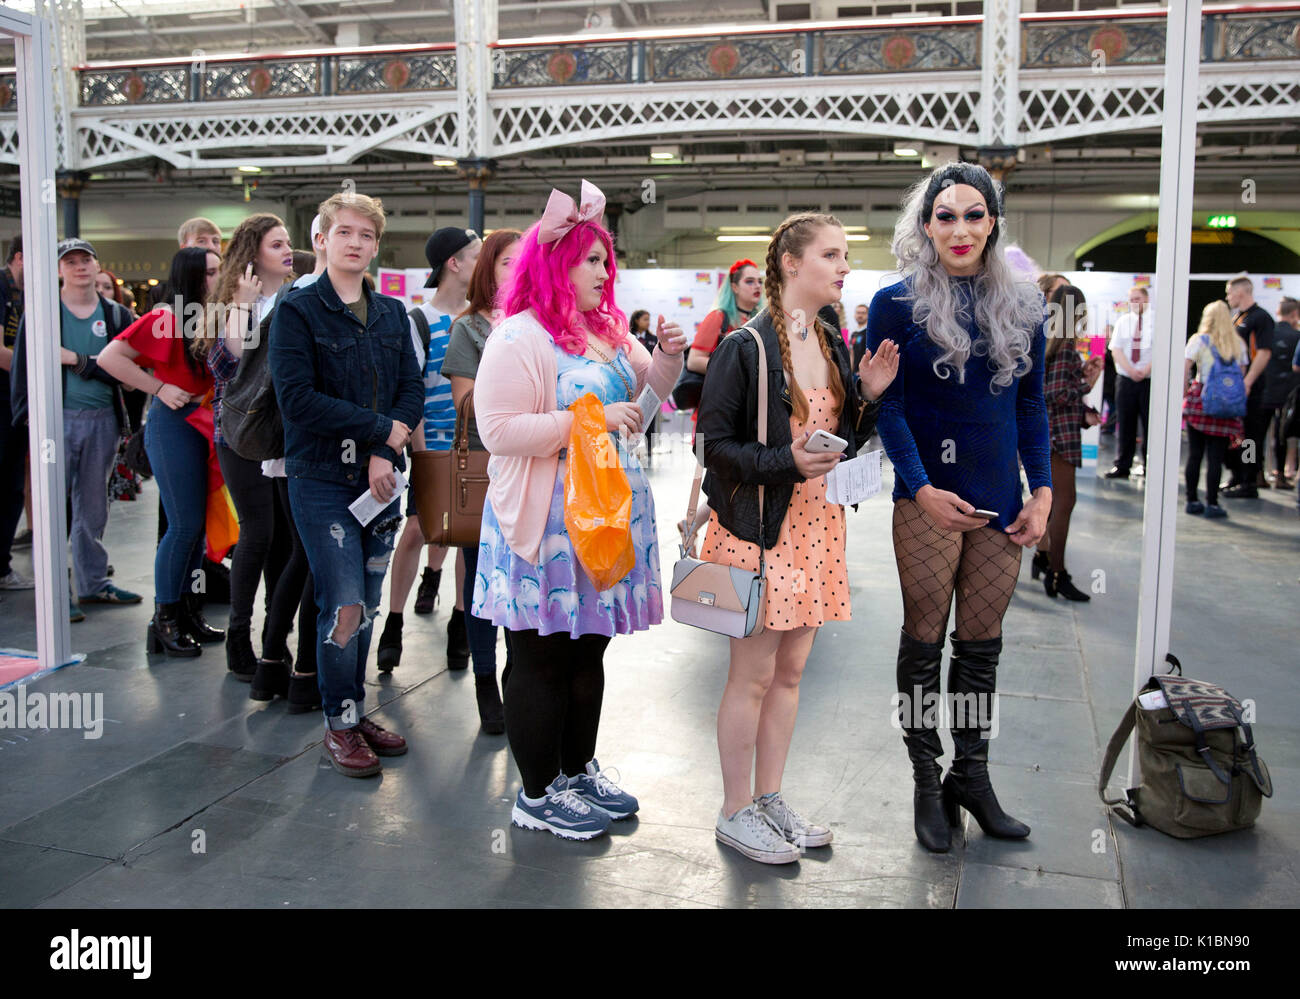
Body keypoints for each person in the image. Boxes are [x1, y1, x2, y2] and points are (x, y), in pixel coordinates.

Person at [472, 180, 686, 841]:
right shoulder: (519, 336)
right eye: (592, 259)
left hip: (603, 522)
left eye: (606, 261)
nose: (604, 272)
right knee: (540, 658)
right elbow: (498, 430)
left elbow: (641, 415)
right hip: (545, 531)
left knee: (587, 651)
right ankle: (535, 795)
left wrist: (670, 364)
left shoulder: (612, 336)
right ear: (556, 263)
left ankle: (574, 770)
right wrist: (581, 421)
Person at [696, 213, 898, 864]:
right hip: (760, 531)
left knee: (789, 675)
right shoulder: (745, 346)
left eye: (846, 256)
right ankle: (734, 810)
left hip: (817, 527)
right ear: (790, 263)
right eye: (832, 255)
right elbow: (715, 447)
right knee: (751, 677)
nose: (844, 266)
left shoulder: (833, 340)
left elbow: (843, 442)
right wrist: (788, 463)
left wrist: (865, 397)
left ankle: (770, 796)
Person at [867, 162, 1051, 854]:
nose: (961, 228)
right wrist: (919, 486)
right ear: (925, 225)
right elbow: (890, 407)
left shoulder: (1026, 304)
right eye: (945, 216)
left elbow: (1029, 408)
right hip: (927, 498)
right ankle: (924, 778)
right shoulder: (895, 302)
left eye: (974, 214)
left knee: (981, 649)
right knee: (924, 641)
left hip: (1002, 500)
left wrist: (1044, 490)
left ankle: (969, 776)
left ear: (994, 222)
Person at [270, 191, 423, 777]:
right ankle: (337, 722)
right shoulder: (297, 310)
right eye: (345, 233)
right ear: (323, 240)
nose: (355, 242)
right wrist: (382, 431)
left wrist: (386, 448)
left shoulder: (390, 314)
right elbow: (298, 401)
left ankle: (355, 710)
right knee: (345, 606)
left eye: (366, 235)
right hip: (322, 480)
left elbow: (410, 385)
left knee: (371, 601)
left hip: (381, 483)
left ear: (376, 245)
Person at [99, 247, 226, 653]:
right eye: (210, 272)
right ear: (191, 276)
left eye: (219, 270)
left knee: (197, 528)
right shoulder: (165, 318)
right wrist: (158, 388)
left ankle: (187, 612)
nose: (217, 277)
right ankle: (165, 619)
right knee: (184, 526)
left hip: (206, 427)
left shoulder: (215, 316)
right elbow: (109, 357)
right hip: (174, 427)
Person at [9, 238, 144, 618]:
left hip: (102, 420)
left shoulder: (116, 314)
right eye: (71, 261)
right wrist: (27, 417)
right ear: (58, 270)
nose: (80, 266)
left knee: (93, 506)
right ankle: (54, 592)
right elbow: (24, 364)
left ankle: (93, 584)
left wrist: (77, 360)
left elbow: (131, 367)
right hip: (56, 418)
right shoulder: (43, 314)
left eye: (86, 260)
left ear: (97, 266)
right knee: (53, 508)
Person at [375, 226, 481, 673]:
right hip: (430, 448)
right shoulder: (418, 320)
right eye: (476, 256)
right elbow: (411, 391)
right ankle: (393, 621)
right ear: (453, 264)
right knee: (416, 530)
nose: (484, 262)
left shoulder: (481, 320)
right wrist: (418, 455)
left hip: (474, 446)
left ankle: (460, 622)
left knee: (465, 538)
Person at [201, 214, 294, 682]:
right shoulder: (236, 303)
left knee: (284, 540)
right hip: (240, 432)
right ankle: (241, 634)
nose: (287, 250)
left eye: (288, 243)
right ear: (254, 253)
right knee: (258, 531)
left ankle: (275, 641)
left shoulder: (298, 298)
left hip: (287, 436)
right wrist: (241, 303)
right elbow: (226, 367)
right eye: (277, 244)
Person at [441, 227, 521, 735]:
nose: (519, 270)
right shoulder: (469, 329)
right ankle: (486, 681)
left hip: (533, 467)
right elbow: (465, 404)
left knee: (522, 576)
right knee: (478, 580)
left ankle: (518, 677)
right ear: (488, 268)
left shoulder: (547, 325)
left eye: (526, 262)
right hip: (484, 470)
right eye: (508, 262)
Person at [1032, 284, 1101, 601]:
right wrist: (1085, 384)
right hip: (1060, 436)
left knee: (1051, 503)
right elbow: (1057, 395)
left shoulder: (1049, 344)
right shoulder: (1065, 348)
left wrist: (1083, 386)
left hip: (1051, 433)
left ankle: (1045, 560)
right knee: (1063, 503)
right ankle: (1056, 573)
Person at [1183, 301, 1249, 520]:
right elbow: (1240, 376)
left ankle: (1192, 500)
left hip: (1200, 400)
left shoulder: (1198, 341)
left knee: (1195, 454)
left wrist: (1184, 394)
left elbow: (1185, 369)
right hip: (1226, 406)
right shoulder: (1237, 343)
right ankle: (1212, 503)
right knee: (1216, 457)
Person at [1223, 275, 1274, 498]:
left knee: (1251, 436)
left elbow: (1263, 352)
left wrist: (1248, 381)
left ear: (1241, 292)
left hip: (1252, 390)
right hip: (1234, 388)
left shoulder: (1261, 318)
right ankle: (1236, 475)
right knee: (1235, 434)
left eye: (1229, 292)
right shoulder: (1237, 317)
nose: (1228, 297)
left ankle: (1249, 480)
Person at [0, 236, 30, 590]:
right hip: (5, 398)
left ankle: (2, 564)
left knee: (11, 485)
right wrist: (35, 369)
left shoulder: (29, 296)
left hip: (15, 401)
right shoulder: (2, 289)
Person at [685, 259, 762, 378]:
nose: (757, 286)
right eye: (750, 281)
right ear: (734, 287)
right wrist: (735, 372)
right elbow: (694, 361)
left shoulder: (761, 321)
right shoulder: (717, 317)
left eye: (760, 281)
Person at [1105, 286, 1152, 479]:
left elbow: (1161, 349)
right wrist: (1131, 371)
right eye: (1132, 299)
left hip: (1149, 380)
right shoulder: (1123, 321)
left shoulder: (1157, 321)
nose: (1135, 302)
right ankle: (1123, 464)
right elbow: (1116, 350)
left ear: (1147, 299)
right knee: (1125, 423)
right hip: (1126, 379)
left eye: (1139, 298)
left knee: (1150, 424)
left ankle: (1148, 464)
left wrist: (1145, 370)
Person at [1260, 297, 1299, 489]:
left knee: (1254, 436)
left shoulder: (1267, 333)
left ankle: (1252, 472)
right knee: (1281, 437)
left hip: (1263, 392)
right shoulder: (1296, 336)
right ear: (1294, 314)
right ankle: (1281, 475)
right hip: (1286, 396)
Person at [849, 302, 870, 368]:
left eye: (863, 313)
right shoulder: (853, 333)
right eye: (858, 313)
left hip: (865, 371)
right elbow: (852, 353)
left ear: (868, 315)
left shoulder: (869, 332)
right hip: (854, 373)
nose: (860, 315)